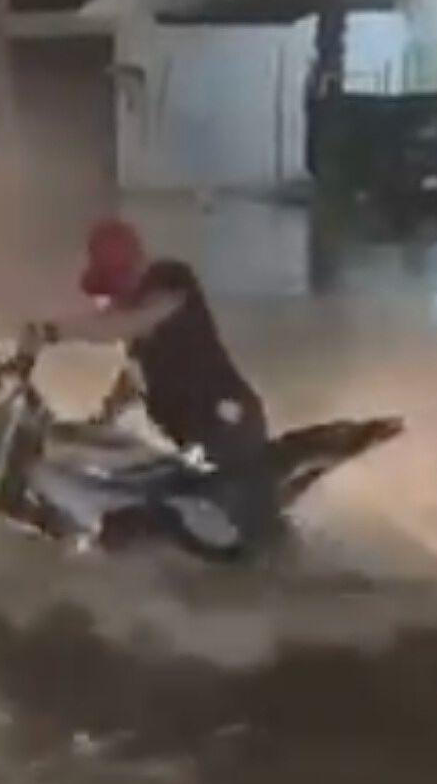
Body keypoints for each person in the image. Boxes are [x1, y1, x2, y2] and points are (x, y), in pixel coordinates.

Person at [20, 217, 280, 553]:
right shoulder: (135, 325)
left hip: (229, 429)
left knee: (184, 513)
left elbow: (127, 325)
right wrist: (103, 418)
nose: (110, 298)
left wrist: (50, 333)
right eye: (107, 289)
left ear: (134, 268)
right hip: (195, 441)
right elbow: (134, 375)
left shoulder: (170, 284)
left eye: (115, 282)